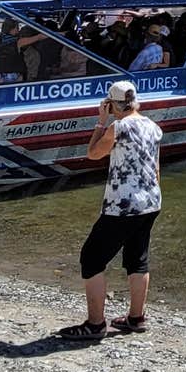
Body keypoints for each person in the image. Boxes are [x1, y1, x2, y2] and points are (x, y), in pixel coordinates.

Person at [60, 81, 163, 342]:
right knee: (137, 257)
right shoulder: (153, 127)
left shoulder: (118, 127)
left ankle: (95, 324)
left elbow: (93, 154)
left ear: (111, 103)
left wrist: (100, 122)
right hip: (150, 201)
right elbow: (156, 168)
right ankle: (136, 317)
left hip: (122, 205)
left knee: (92, 258)